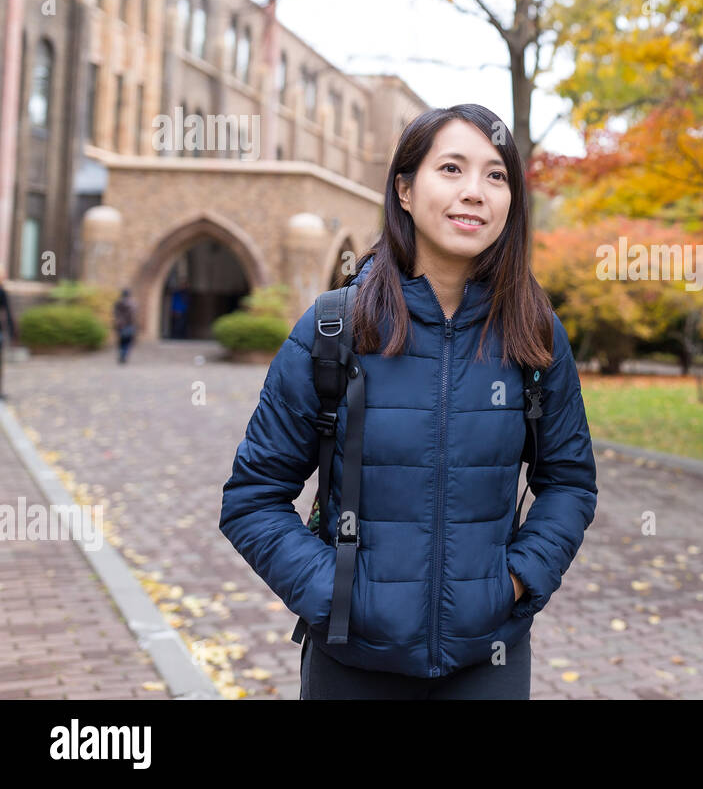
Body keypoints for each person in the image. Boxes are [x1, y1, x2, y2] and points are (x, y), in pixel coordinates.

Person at [219, 104, 599, 700]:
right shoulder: (332, 330)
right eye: (451, 168)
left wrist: (517, 581)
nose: (474, 192)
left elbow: (570, 483)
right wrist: (337, 595)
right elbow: (253, 499)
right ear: (404, 188)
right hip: (353, 665)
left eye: (495, 175)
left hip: (489, 661)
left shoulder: (535, 334)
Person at [112, 288, 137, 364]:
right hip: (129, 325)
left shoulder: (118, 303)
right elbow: (134, 316)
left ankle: (122, 354)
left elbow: (115, 314)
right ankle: (124, 355)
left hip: (121, 325)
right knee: (127, 342)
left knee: (121, 342)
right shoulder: (133, 304)